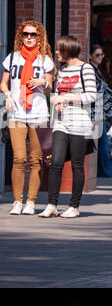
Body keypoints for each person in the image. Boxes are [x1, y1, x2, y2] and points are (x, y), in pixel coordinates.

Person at [2, 20, 55, 214]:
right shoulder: (13, 58)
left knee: (36, 160)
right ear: (21, 36)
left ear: (39, 36)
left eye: (33, 34)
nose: (29, 38)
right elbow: (3, 83)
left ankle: (31, 202)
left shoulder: (45, 60)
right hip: (16, 112)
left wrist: (43, 81)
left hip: (38, 112)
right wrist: (7, 95)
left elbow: (50, 88)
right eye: (26, 34)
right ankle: (17, 201)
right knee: (18, 158)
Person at [43, 36, 98, 218]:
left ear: (67, 50)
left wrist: (64, 99)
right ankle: (51, 205)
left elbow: (91, 96)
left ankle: (74, 207)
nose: (57, 52)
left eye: (59, 49)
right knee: (56, 162)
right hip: (61, 121)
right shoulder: (62, 70)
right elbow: (59, 92)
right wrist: (58, 102)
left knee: (76, 165)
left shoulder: (86, 68)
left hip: (80, 123)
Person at [87, 45, 112, 179]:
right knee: (102, 143)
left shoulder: (99, 70)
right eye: (97, 55)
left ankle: (102, 173)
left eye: (102, 55)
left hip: (99, 108)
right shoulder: (90, 70)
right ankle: (107, 174)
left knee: (101, 143)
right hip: (94, 108)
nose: (100, 57)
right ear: (90, 56)